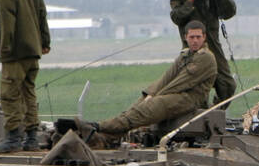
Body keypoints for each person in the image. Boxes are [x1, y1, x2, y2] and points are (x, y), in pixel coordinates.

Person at [78, 21, 217, 139]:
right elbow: (167, 77)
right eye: (192, 37)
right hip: (176, 94)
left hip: (191, 99)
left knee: (153, 105)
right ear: (185, 37)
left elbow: (181, 82)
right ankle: (107, 131)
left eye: (198, 37)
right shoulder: (186, 55)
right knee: (139, 106)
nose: (195, 40)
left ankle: (100, 126)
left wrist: (156, 96)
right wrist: (150, 93)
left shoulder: (206, 58)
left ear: (204, 37)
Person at [0, 0, 50, 153]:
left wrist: (5, 48)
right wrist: (44, 42)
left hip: (15, 50)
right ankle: (31, 139)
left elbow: (7, 16)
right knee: (28, 93)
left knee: (9, 94)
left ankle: (13, 137)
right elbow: (41, 11)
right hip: (33, 48)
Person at [169, 0, 237, 105]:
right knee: (197, 91)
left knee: (227, 85)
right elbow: (176, 17)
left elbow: (229, 12)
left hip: (213, 44)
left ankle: (216, 114)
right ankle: (201, 119)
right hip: (192, 47)